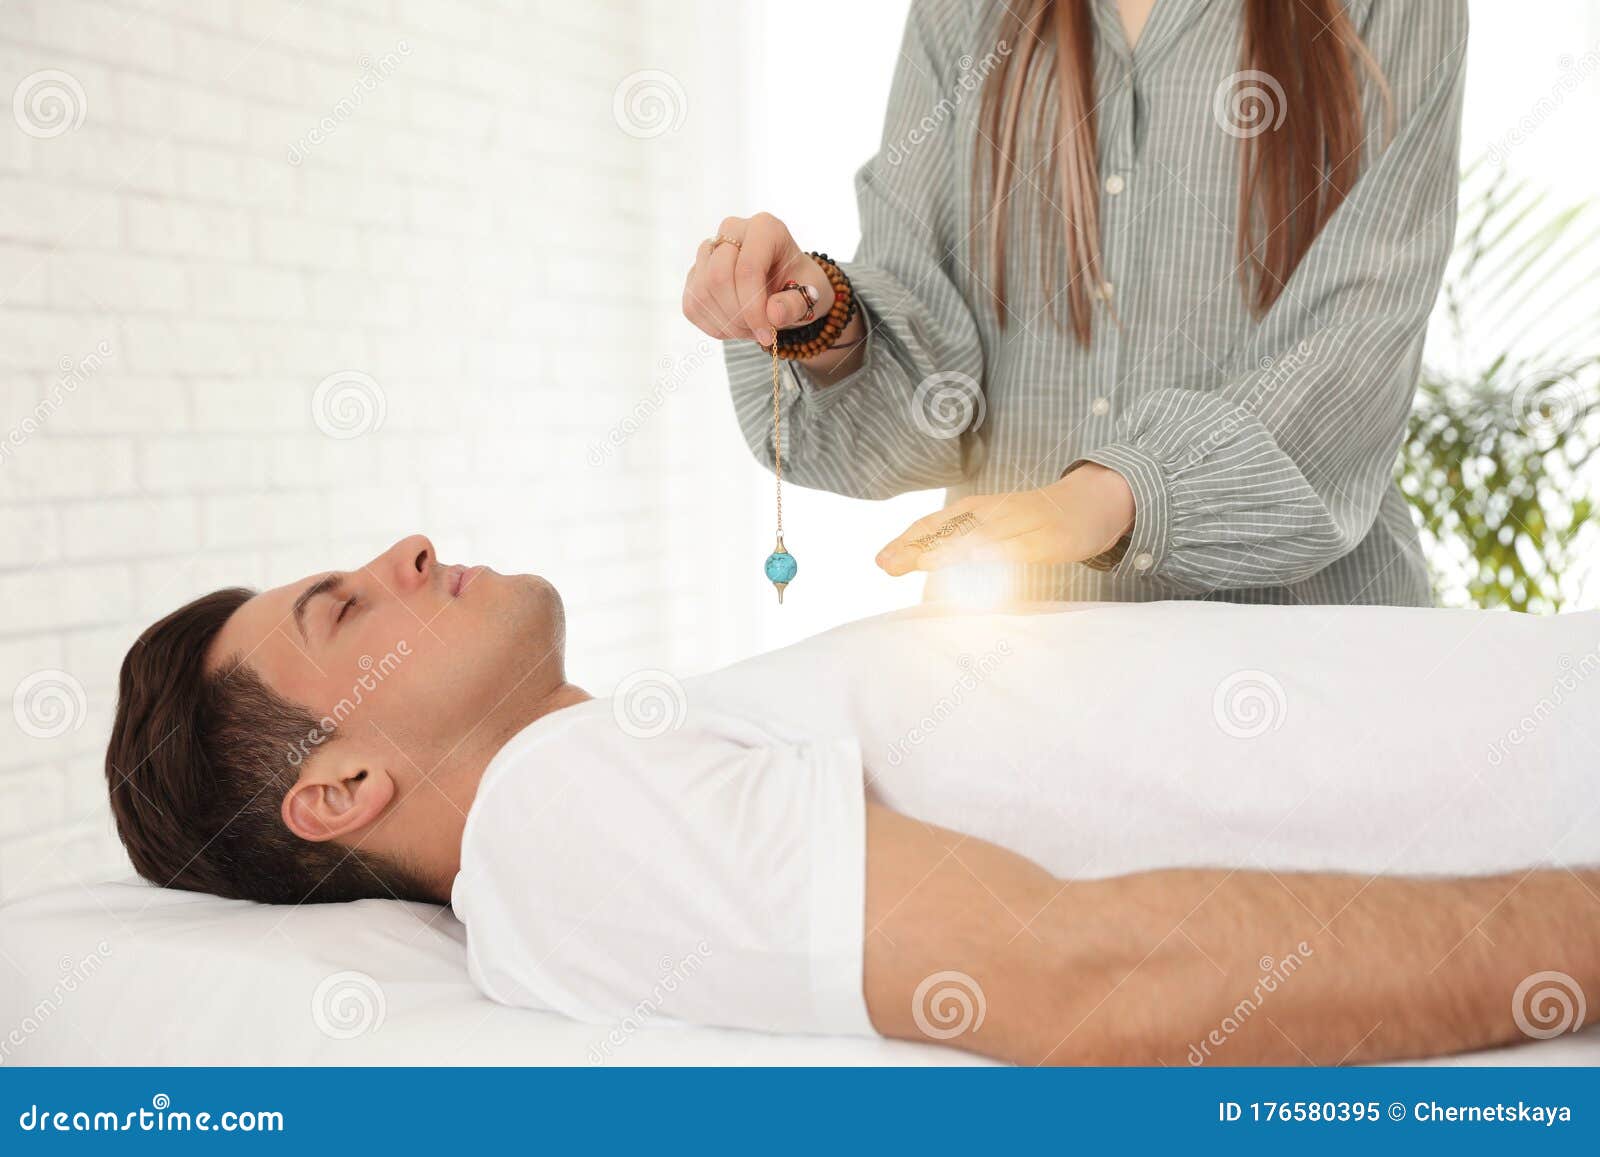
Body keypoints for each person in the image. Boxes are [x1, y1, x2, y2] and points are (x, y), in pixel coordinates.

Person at [104, 535, 1599, 1065]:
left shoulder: (596, 779)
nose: (405, 550)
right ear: (345, 786)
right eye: (343, 612)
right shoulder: (555, 824)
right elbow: (1078, 978)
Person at [681, 0, 1467, 605]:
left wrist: (1110, 496)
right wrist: (822, 322)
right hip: (1007, 680)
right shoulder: (965, 15)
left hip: (1306, 660)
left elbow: (1361, 332)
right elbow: (930, 399)